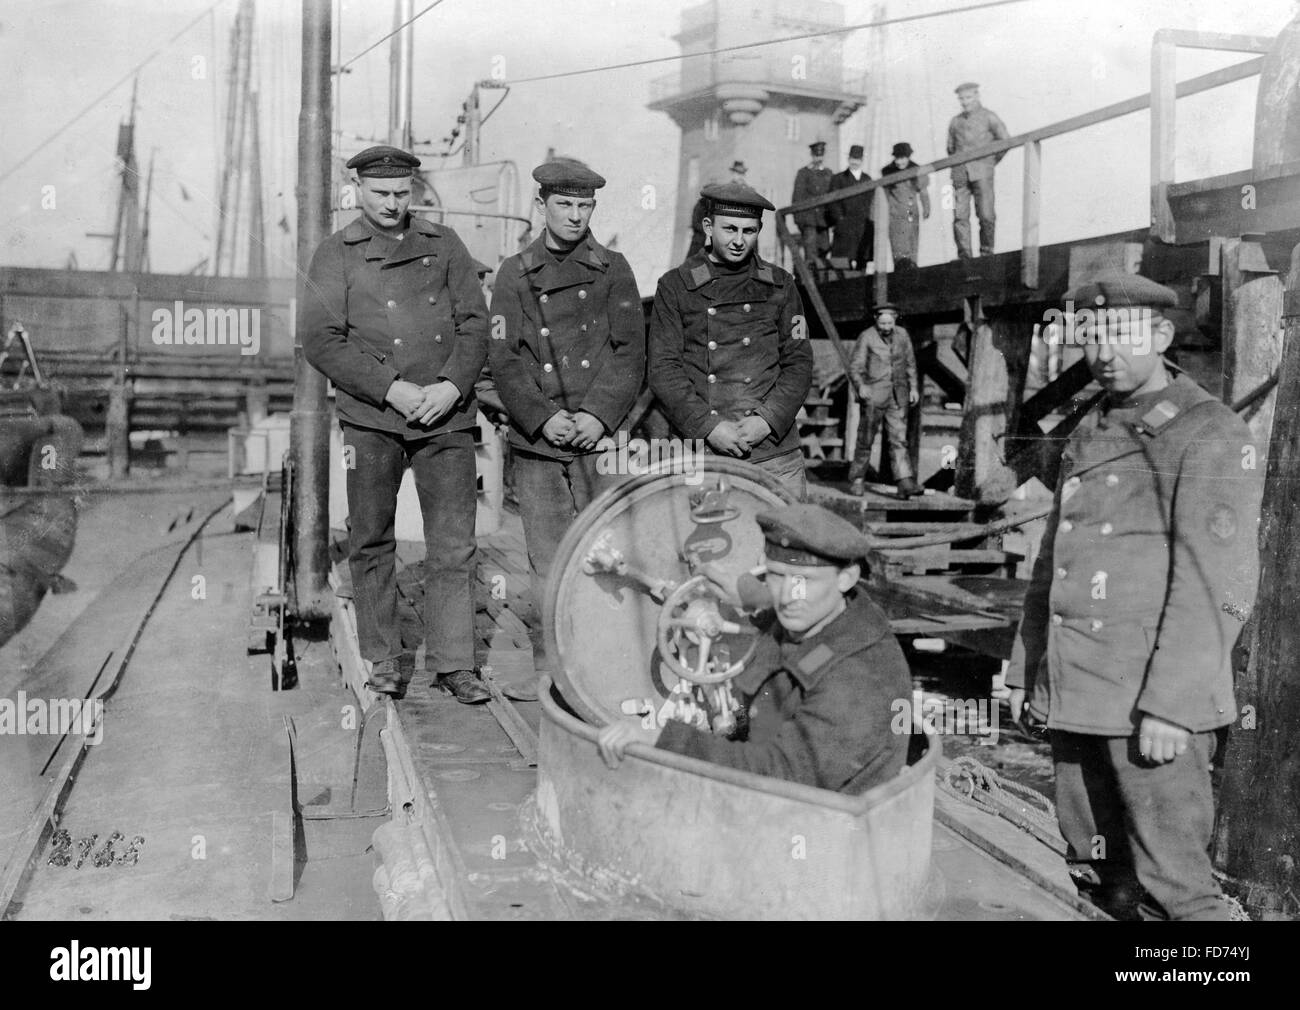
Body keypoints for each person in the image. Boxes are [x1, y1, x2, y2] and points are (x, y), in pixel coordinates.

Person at [1005, 273, 1264, 921]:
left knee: (1179, 891)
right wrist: (1025, 670)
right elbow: (1053, 562)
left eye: (1121, 335)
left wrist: (1173, 708)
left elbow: (1216, 584)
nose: (1104, 353)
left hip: (1150, 706)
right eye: (1092, 335)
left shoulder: (1207, 432)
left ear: (1162, 334)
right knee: (1095, 875)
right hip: (1079, 699)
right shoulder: (1093, 425)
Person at [301, 145, 490, 702]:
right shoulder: (336, 253)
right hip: (372, 418)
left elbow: (476, 325)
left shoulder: (444, 244)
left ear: (414, 191)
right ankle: (383, 658)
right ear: (358, 190)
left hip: (446, 417)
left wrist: (452, 386)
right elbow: (321, 338)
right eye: (380, 193)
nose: (391, 204)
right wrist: (392, 389)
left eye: (401, 194)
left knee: (454, 544)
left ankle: (455, 663)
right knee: (371, 539)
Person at [597, 503, 912, 794]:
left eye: (803, 580)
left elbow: (778, 775)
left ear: (847, 578)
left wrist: (666, 740)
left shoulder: (860, 679)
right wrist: (750, 594)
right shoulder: (825, 614)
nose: (787, 597)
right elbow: (777, 600)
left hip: (814, 825)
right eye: (776, 576)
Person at [488, 160, 645, 680]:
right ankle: (552, 667)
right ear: (542, 206)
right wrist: (541, 417)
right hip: (541, 442)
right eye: (565, 205)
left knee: (609, 554)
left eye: (585, 206)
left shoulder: (613, 268)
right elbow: (503, 357)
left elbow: (629, 352)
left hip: (599, 440)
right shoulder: (515, 273)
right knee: (547, 559)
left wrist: (598, 417)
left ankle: (610, 665)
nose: (576, 216)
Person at [648, 181, 813, 497]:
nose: (739, 241)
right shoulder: (675, 286)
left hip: (773, 453)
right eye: (730, 229)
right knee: (702, 545)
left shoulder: (781, 284)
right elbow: (663, 369)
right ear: (708, 226)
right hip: (700, 451)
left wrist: (767, 421)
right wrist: (708, 427)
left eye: (749, 231)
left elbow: (799, 361)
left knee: (787, 543)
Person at [847, 304, 920, 498]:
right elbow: (855, 367)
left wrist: (913, 388)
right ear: (876, 320)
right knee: (866, 438)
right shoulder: (867, 336)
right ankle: (857, 479)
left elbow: (910, 363)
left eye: (890, 322)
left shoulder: (903, 335)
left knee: (899, 438)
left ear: (895, 320)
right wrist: (861, 385)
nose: (886, 327)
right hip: (874, 395)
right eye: (882, 323)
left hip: (898, 395)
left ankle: (904, 481)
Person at [946, 83, 1009, 260]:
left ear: (977, 96)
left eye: (968, 98)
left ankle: (987, 252)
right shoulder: (955, 121)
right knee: (960, 216)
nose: (965, 102)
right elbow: (950, 148)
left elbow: (1005, 141)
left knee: (986, 214)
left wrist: (990, 161)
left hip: (983, 172)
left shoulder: (989, 117)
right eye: (962, 99)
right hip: (960, 174)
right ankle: (964, 255)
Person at [881, 142, 930, 270]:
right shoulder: (887, 172)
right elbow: (884, 195)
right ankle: (900, 273)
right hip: (896, 215)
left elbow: (923, 190)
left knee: (912, 245)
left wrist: (926, 207)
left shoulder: (916, 169)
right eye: (897, 158)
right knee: (899, 249)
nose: (900, 162)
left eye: (903, 158)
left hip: (912, 214)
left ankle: (912, 272)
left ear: (908, 157)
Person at [688, 160, 748, 259]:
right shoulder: (725, 191)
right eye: (737, 173)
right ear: (733, 173)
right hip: (712, 234)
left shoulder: (748, 191)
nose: (739, 176)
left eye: (742, 173)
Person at [827, 144, 874, 269]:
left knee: (862, 262)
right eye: (853, 158)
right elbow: (832, 202)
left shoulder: (867, 179)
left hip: (862, 228)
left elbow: (872, 202)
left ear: (862, 160)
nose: (855, 162)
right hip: (845, 228)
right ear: (848, 159)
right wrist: (840, 219)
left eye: (858, 159)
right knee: (841, 265)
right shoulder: (838, 179)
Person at [791, 140, 834, 268]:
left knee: (824, 249)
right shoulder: (803, 173)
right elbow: (797, 197)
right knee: (810, 254)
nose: (818, 158)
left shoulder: (829, 173)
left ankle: (821, 284)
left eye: (821, 155)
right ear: (812, 155)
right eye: (816, 155)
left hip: (824, 221)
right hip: (809, 220)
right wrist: (799, 221)